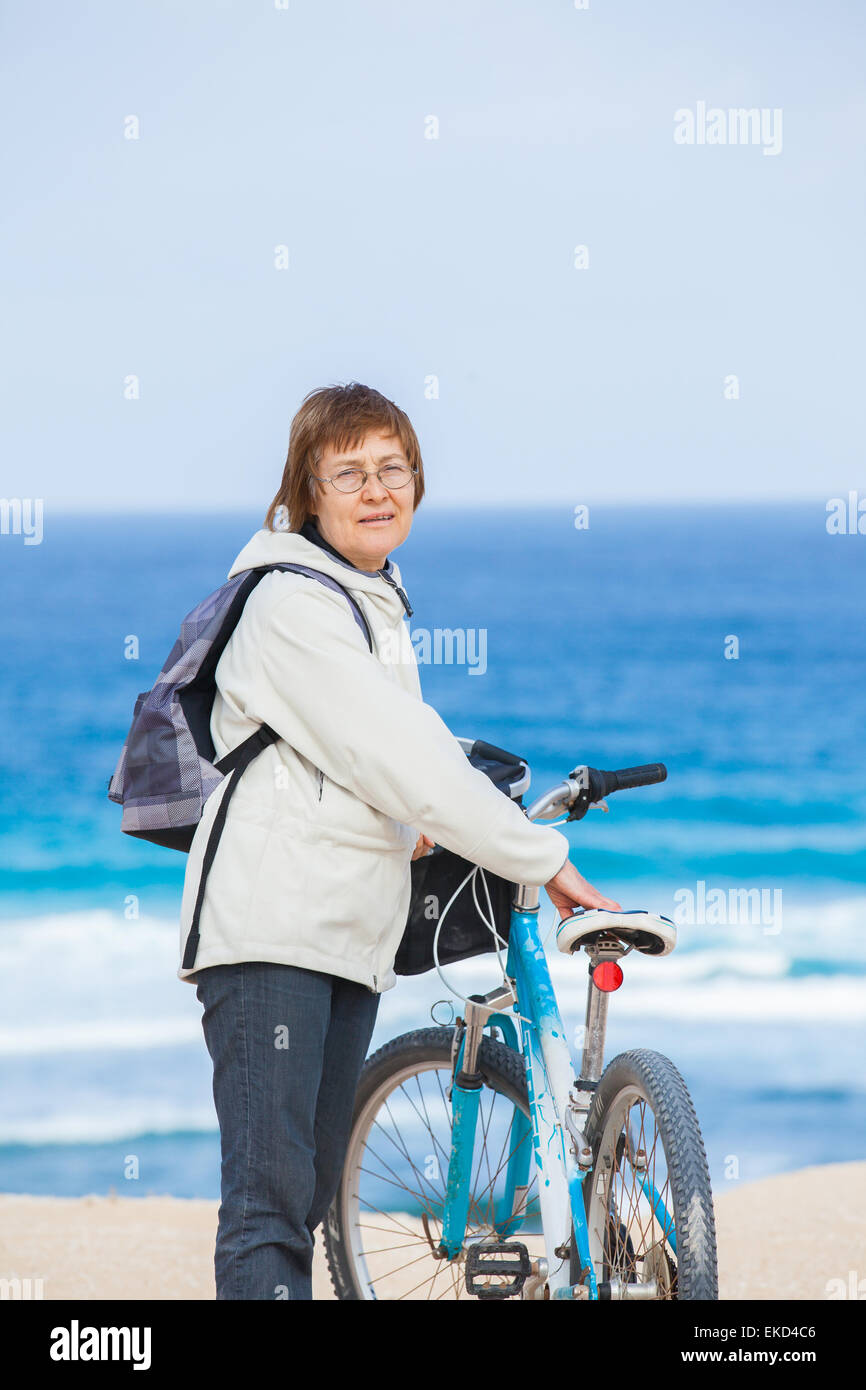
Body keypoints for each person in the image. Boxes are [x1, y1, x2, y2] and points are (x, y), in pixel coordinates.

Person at [178, 381, 621, 1299]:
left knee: (298, 1197)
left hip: (344, 936)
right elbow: (400, 756)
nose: (378, 490)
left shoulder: (367, 600)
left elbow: (400, 745)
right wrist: (541, 858)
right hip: (272, 930)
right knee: (267, 1202)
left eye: (394, 470)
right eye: (350, 474)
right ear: (307, 493)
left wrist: (449, 797)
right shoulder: (290, 604)